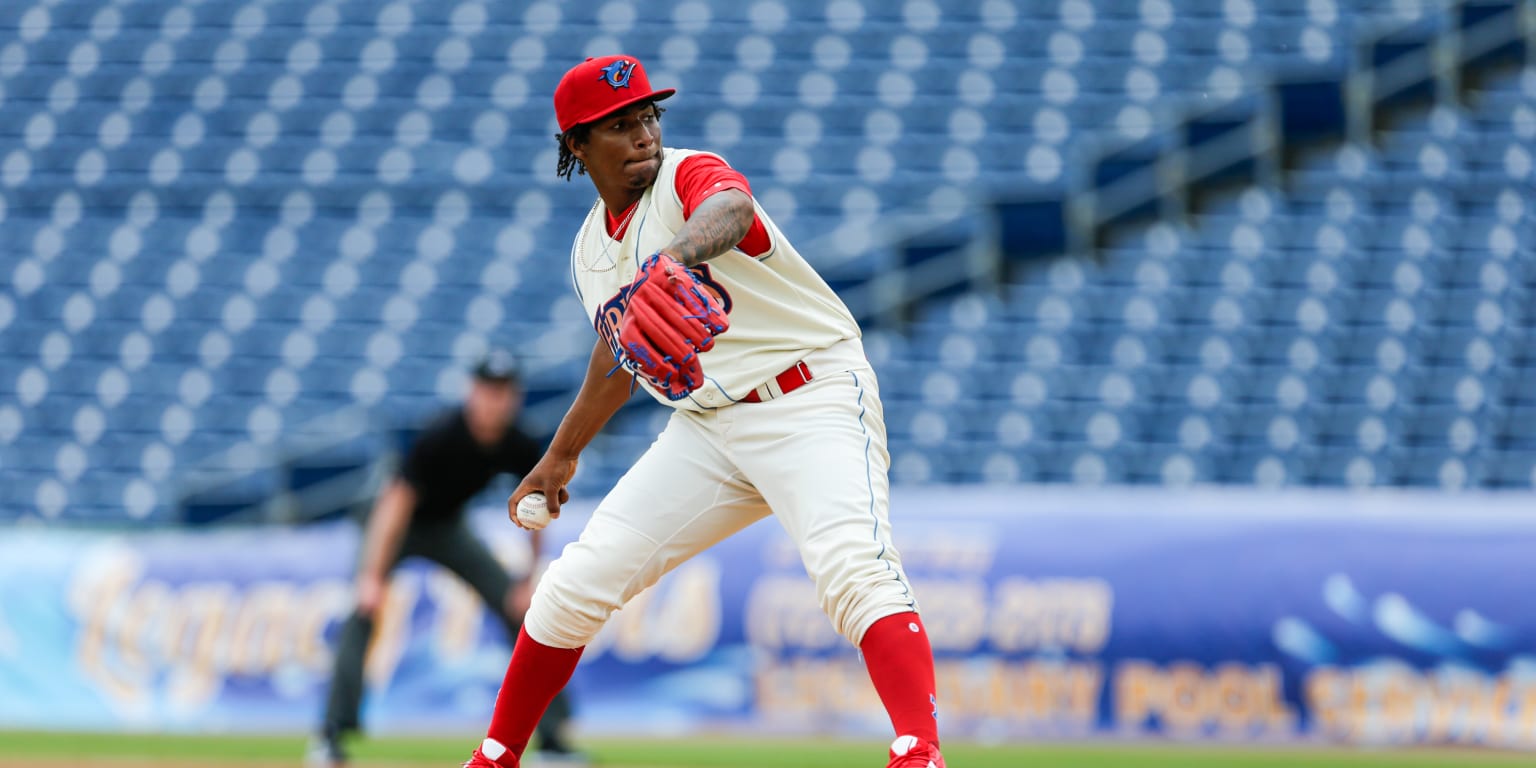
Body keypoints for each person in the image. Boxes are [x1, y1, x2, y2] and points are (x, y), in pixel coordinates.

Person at [459, 56, 944, 768]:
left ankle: (919, 753)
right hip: (709, 429)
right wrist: (562, 454)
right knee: (570, 587)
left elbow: (733, 209)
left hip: (808, 395)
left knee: (853, 571)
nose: (644, 135)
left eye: (649, 117)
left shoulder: (689, 178)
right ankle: (496, 757)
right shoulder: (591, 254)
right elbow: (613, 355)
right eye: (620, 125)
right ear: (576, 147)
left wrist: (676, 258)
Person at [308, 351, 583, 768]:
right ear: (473, 392)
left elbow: (538, 507)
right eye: (488, 390)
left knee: (525, 610)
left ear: (515, 396)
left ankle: (552, 740)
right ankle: (331, 734)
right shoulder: (443, 435)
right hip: (395, 527)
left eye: (504, 392)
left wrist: (528, 579)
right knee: (362, 611)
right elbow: (395, 504)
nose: (495, 400)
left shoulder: (518, 441)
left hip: (448, 527)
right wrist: (371, 576)